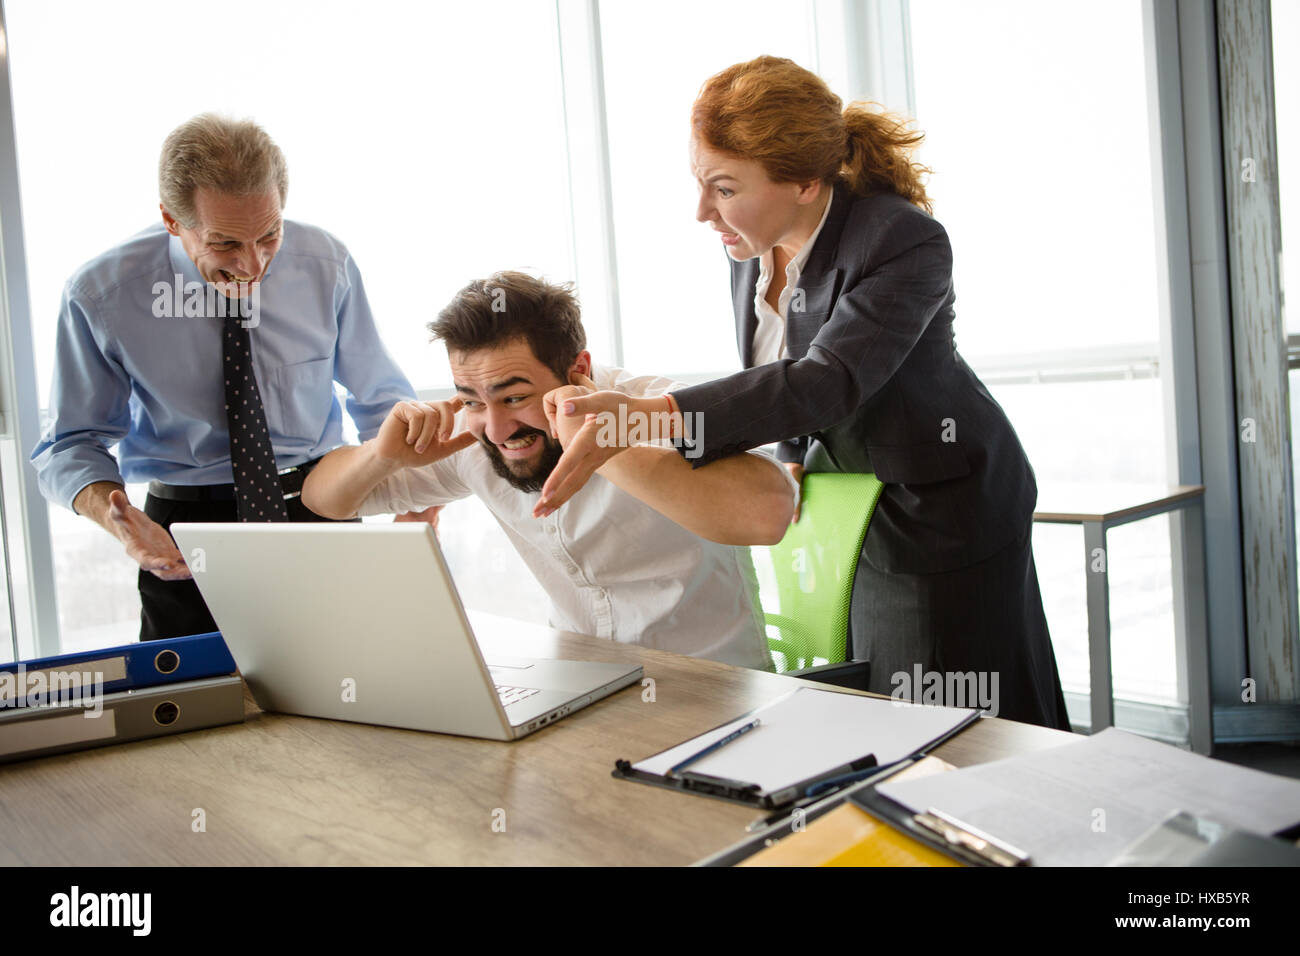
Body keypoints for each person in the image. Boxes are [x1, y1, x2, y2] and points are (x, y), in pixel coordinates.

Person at [539, 56, 1070, 730]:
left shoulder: (902, 240)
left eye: (724, 189)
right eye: (701, 183)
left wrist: (644, 418)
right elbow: (783, 377)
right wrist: (785, 455)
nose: (703, 211)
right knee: (872, 699)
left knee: (947, 712)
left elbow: (827, 379)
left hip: (936, 503)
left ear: (806, 182)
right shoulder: (748, 246)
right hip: (848, 500)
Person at [31, 114, 414, 642]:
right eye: (226, 243)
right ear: (171, 219)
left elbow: (380, 398)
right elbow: (71, 442)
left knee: (359, 688)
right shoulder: (103, 293)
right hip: (186, 533)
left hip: (322, 503)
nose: (253, 263)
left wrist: (415, 489)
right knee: (194, 711)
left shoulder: (326, 263)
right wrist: (114, 516)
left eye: (269, 235)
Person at [302, 271, 795, 670]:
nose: (496, 428)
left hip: (711, 688)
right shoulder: (476, 436)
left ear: (576, 367)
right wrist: (384, 458)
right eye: (473, 399)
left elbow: (769, 513)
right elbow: (323, 499)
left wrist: (602, 440)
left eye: (515, 397)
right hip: (583, 689)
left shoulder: (652, 407)